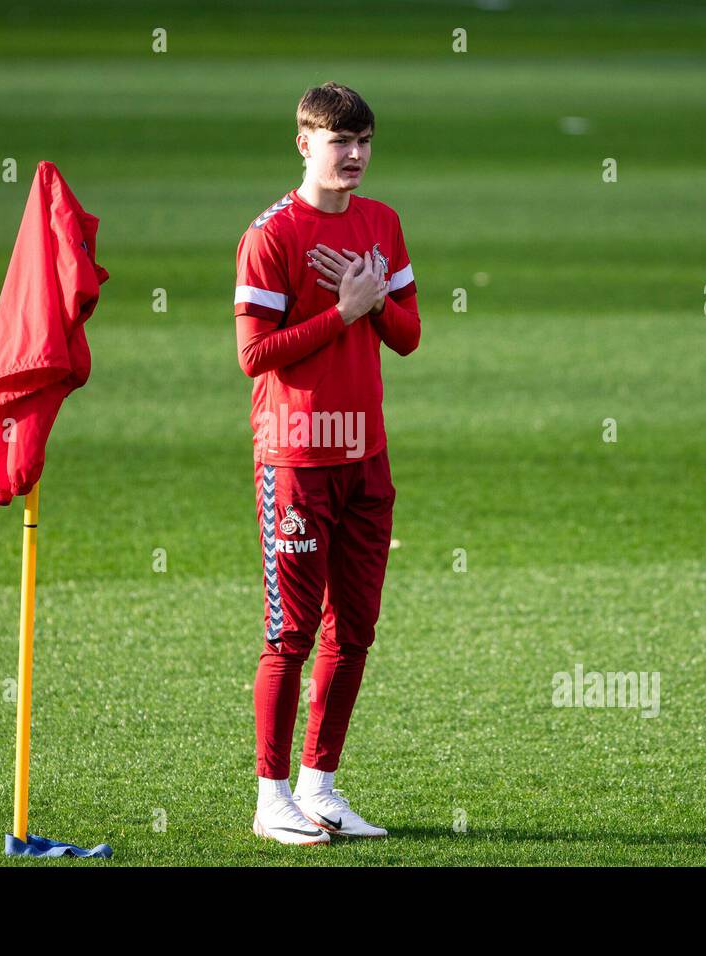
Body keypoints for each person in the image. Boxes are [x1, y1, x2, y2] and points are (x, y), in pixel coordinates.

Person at [233, 82, 421, 844]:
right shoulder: (271, 234)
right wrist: (340, 313)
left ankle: (321, 788)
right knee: (291, 635)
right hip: (296, 461)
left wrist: (374, 306)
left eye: (364, 142)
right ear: (303, 143)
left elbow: (408, 337)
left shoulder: (383, 223)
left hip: (365, 459)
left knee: (357, 630)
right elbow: (254, 356)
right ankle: (269, 798)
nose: (354, 156)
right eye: (338, 141)